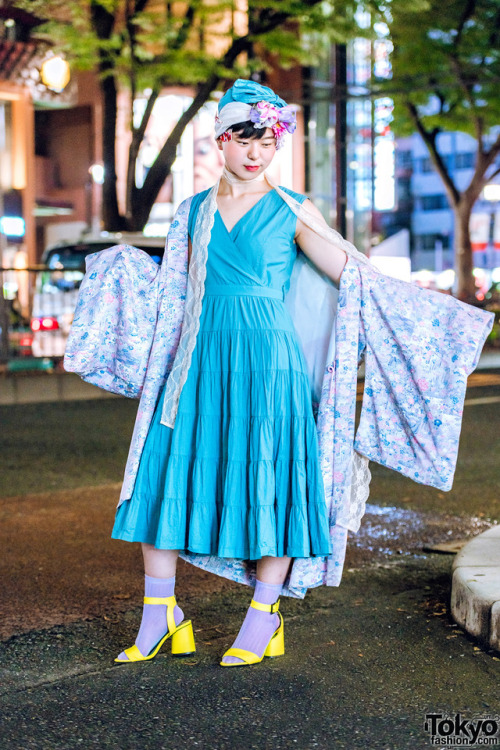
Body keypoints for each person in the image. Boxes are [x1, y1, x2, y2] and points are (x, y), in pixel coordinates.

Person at [64, 79, 493, 669]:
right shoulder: (191, 213)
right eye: (244, 138)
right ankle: (159, 615)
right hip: (197, 363)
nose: (255, 151)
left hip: (270, 368)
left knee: (272, 483)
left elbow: (354, 278)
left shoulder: (293, 210)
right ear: (221, 140)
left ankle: (263, 619)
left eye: (266, 140)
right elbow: (171, 297)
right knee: (163, 476)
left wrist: (435, 318)